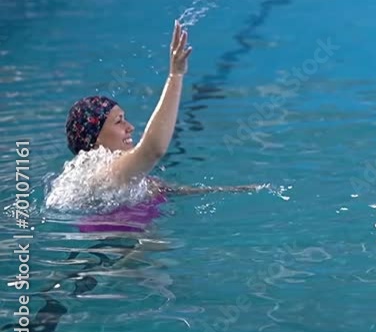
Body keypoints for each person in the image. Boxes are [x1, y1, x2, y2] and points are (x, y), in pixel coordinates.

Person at [47, 20, 264, 221]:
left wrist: (240, 189)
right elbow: (153, 150)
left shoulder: (126, 174)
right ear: (93, 139)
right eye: (119, 121)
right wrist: (175, 76)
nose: (130, 127)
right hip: (114, 254)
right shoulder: (102, 175)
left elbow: (175, 191)